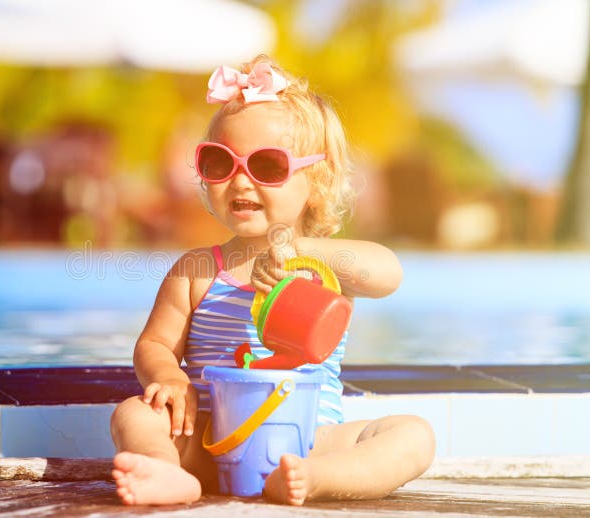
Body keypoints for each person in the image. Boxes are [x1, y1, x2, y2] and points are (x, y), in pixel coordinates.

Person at [110, 56, 435, 506]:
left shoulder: (326, 269)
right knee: (133, 413)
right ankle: (166, 470)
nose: (241, 181)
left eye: (267, 166)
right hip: (212, 441)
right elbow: (155, 344)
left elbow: (387, 274)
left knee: (414, 435)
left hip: (308, 440)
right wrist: (168, 376)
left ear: (317, 182)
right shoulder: (197, 270)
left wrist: (301, 250)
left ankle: (317, 478)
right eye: (220, 162)